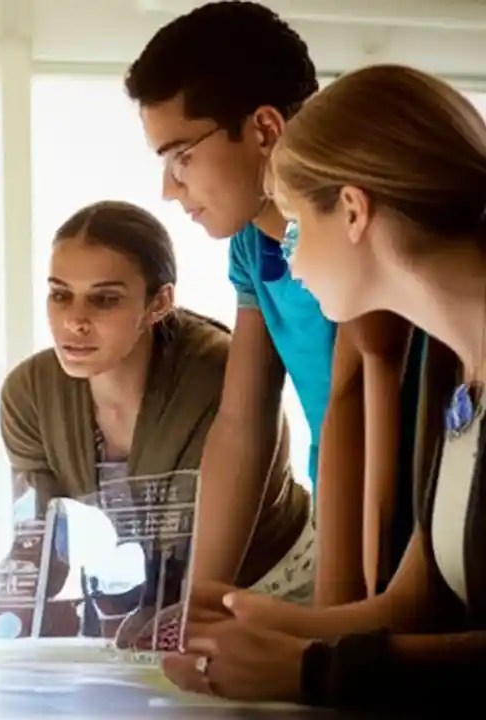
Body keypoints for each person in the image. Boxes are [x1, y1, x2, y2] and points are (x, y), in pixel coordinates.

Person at [162, 64, 483, 709]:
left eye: (299, 229)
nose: (295, 262)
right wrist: (238, 616)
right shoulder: (455, 383)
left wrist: (317, 670)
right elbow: (415, 605)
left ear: (355, 211)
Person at [125, 0, 422, 605]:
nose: (168, 187)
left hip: (416, 520)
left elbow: (360, 404)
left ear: (263, 129)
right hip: (342, 517)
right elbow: (242, 425)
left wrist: (337, 621)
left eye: (182, 157)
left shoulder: (358, 225)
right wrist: (198, 601)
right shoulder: (247, 247)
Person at [0, 201, 313, 644]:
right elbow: (43, 536)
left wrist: (150, 616)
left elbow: (201, 562)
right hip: (152, 603)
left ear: (159, 302)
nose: (75, 320)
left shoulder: (222, 375)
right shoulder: (27, 395)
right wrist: (3, 599)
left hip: (273, 588)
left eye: (105, 299)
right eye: (60, 294)